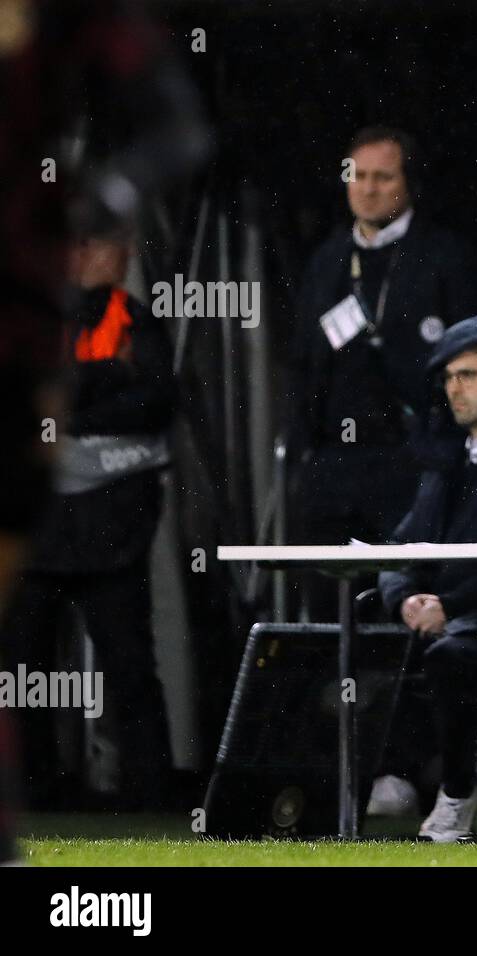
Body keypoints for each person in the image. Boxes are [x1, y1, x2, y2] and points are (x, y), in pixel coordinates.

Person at [1, 222, 178, 811]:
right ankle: (31, 791)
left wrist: (69, 405)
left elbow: (153, 402)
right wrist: (107, 378)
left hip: (113, 526)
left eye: (97, 245)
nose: (83, 256)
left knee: (128, 661)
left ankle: (148, 792)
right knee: (26, 667)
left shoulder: (136, 318)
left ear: (124, 255)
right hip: (43, 527)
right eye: (75, 243)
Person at [291, 126, 477, 618]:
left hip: (409, 462)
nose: (368, 187)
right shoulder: (327, 259)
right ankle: (333, 694)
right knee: (322, 608)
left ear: (409, 183)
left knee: (396, 602)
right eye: (358, 175)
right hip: (333, 466)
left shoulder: (446, 256)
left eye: (383, 176)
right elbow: (303, 363)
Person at [376, 315, 477, 841]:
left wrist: (451, 605)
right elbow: (401, 546)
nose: (455, 389)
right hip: (440, 616)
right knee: (354, 644)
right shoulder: (443, 460)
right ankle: (370, 784)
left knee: (450, 655)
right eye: (447, 378)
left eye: (468, 375)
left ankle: (458, 793)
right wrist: (403, 599)